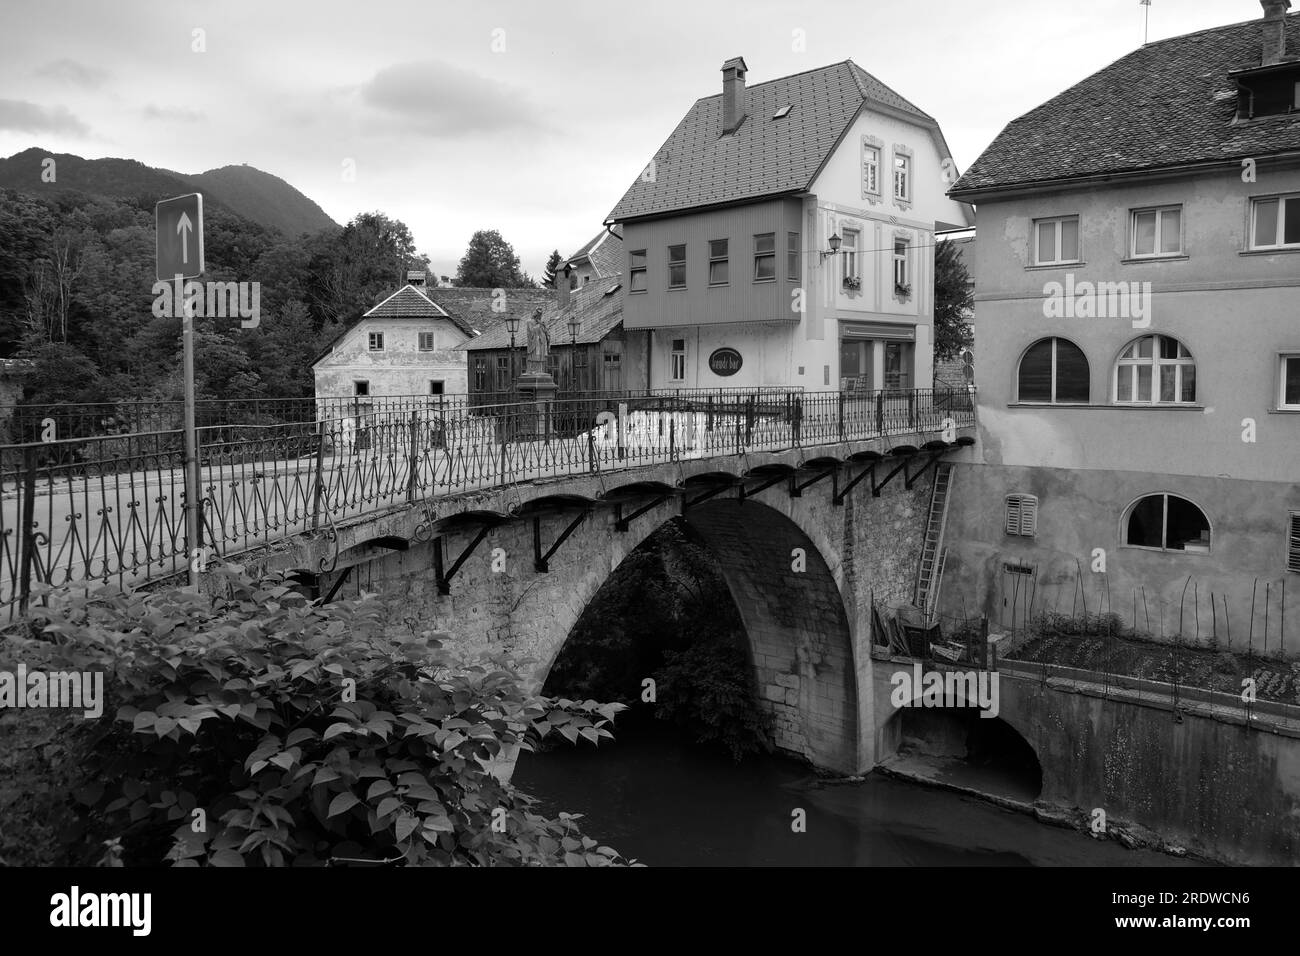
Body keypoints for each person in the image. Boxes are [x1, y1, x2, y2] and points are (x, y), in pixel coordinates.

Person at [525, 308, 550, 373]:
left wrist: (544, 326)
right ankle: (533, 370)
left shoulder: (541, 322)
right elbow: (531, 332)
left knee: (540, 356)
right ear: (535, 314)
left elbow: (545, 331)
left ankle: (540, 370)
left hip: (541, 341)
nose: (540, 316)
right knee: (535, 355)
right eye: (538, 314)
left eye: (540, 315)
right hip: (535, 341)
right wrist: (538, 325)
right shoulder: (529, 321)